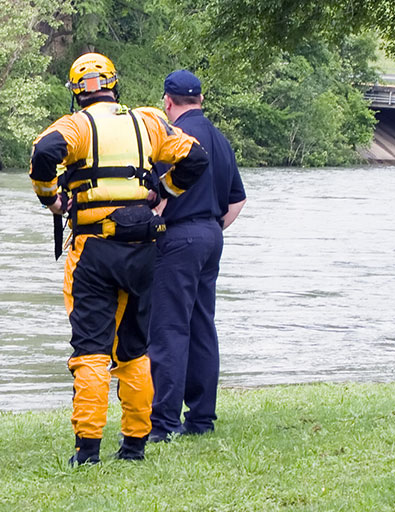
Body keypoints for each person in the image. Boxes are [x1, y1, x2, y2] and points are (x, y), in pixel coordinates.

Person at [29, 53, 209, 465]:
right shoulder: (147, 120)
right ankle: (134, 446)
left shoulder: (74, 126)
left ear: (77, 92)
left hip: (93, 250)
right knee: (133, 350)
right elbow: (195, 158)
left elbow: (43, 153)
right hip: (141, 248)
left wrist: (50, 198)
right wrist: (164, 191)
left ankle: (87, 450)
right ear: (114, 84)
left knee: (91, 350)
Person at [148, 69, 246, 443]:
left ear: (167, 102)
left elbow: (154, 196)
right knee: (203, 325)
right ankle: (201, 417)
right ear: (201, 100)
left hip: (178, 237)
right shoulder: (220, 139)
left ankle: (165, 422)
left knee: (170, 328)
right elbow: (238, 200)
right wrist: (210, 229)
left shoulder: (173, 137)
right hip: (210, 235)